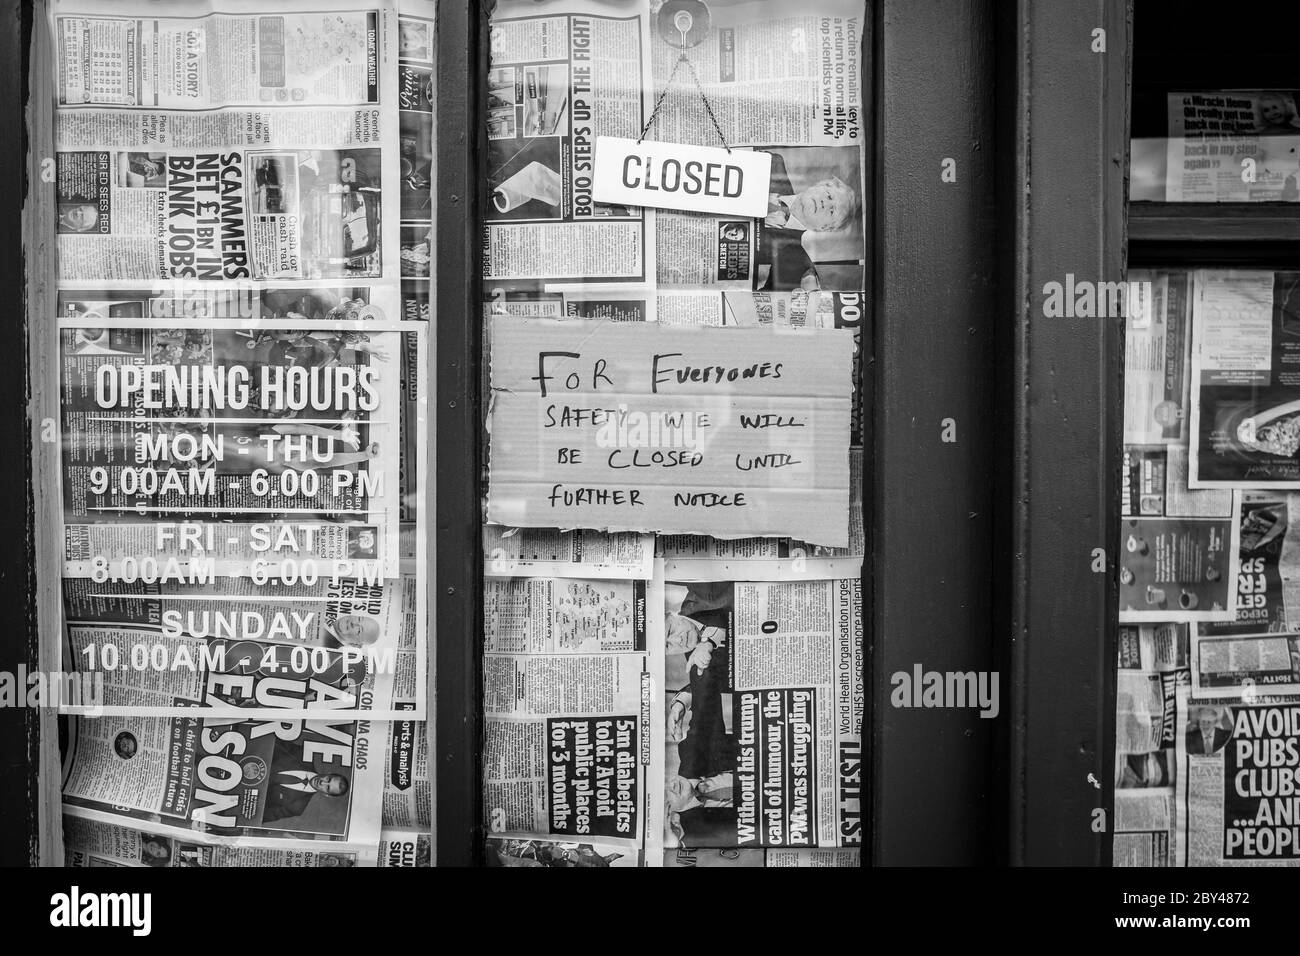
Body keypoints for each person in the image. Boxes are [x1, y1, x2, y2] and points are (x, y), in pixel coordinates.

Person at [755, 151, 860, 290]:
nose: (824, 204)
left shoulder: (794, 261)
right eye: (829, 196)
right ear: (818, 185)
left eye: (831, 211)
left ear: (824, 228)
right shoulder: (773, 164)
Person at [261, 737, 352, 824]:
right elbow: (271, 741)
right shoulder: (301, 754)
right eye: (328, 779)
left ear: (326, 794)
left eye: (327, 787)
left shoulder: (296, 807)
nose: (322, 782)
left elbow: (259, 815)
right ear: (328, 773)